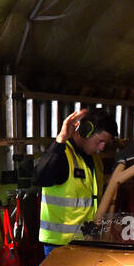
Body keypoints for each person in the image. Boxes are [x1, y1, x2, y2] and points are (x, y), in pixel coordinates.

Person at [34, 106, 118, 256]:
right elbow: (41, 178)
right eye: (100, 141)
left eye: (106, 143)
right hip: (60, 245)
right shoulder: (62, 154)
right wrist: (60, 139)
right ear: (86, 131)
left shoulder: (95, 160)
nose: (102, 147)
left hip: (88, 241)